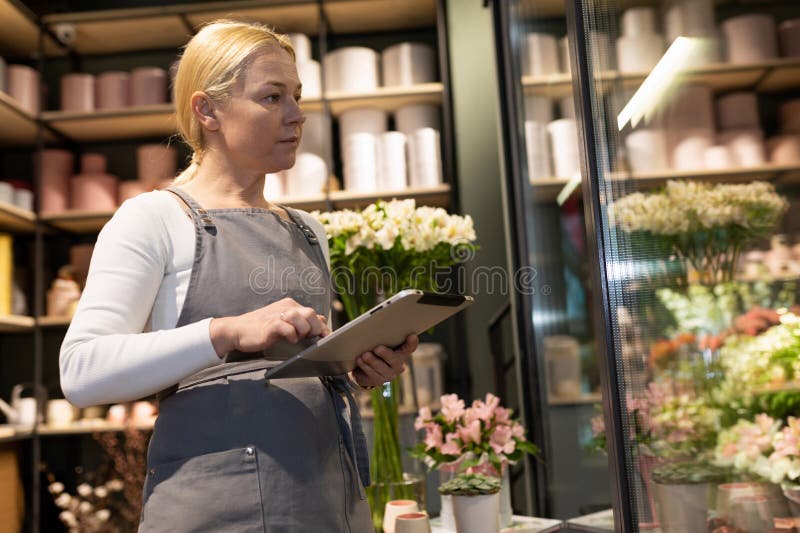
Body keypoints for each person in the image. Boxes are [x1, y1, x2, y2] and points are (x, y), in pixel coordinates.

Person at [59, 19, 418, 532]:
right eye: (273, 97)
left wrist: (358, 369)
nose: (297, 115)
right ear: (208, 110)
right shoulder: (155, 219)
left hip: (326, 506)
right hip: (213, 516)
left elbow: (300, 378)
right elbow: (81, 371)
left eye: (297, 96)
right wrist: (226, 331)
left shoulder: (308, 230)